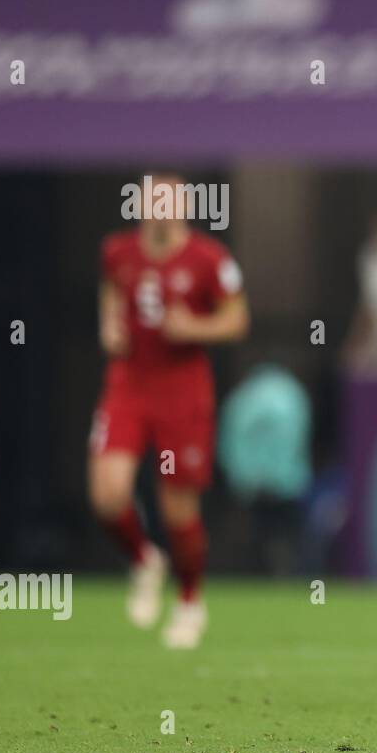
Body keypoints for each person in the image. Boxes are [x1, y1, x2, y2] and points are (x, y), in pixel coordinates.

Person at [89, 174, 249, 648]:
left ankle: (189, 601)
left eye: (168, 202)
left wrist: (195, 326)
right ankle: (143, 558)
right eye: (151, 202)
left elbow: (237, 319)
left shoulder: (209, 260)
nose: (159, 211)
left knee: (177, 507)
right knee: (107, 494)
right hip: (129, 384)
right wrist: (109, 327)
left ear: (183, 207)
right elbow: (111, 289)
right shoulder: (118, 251)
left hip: (182, 390)